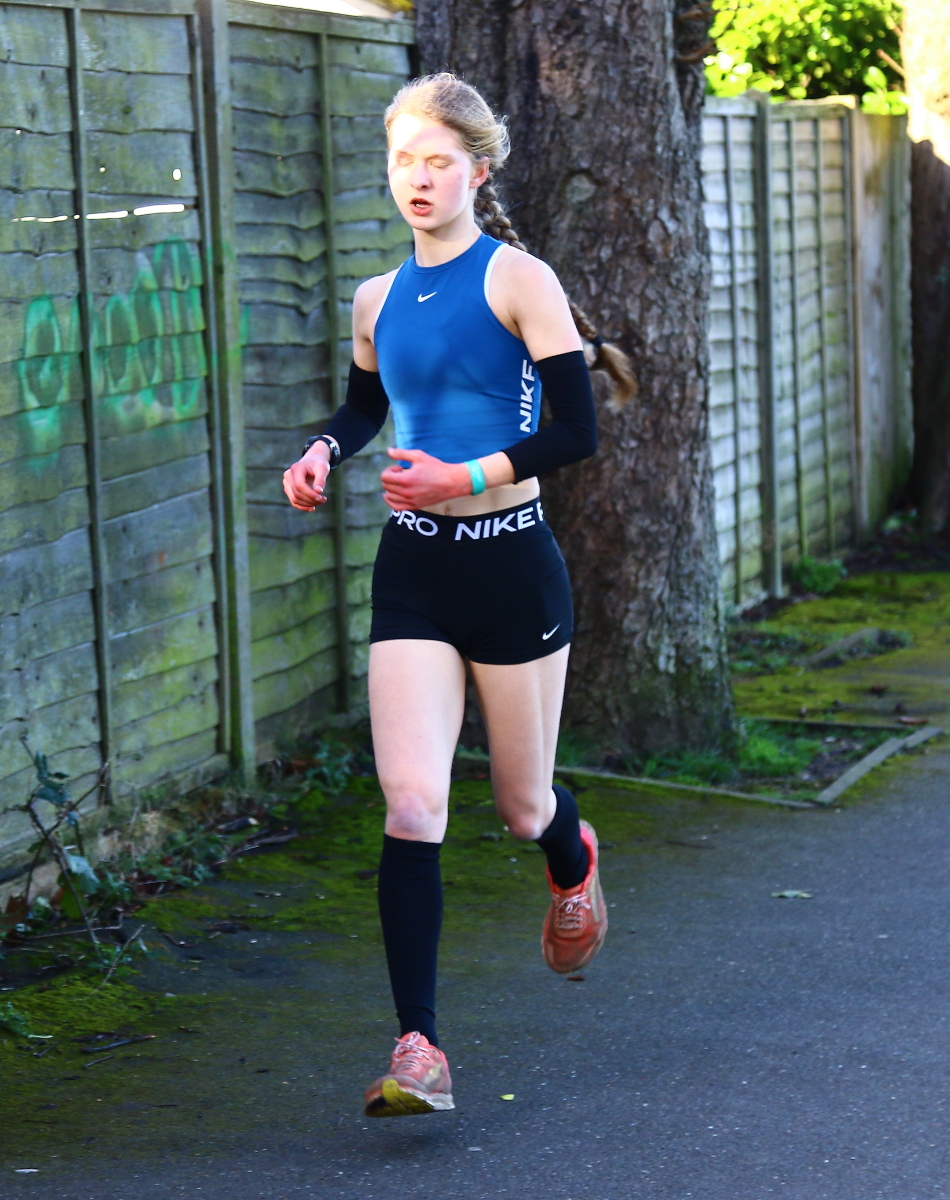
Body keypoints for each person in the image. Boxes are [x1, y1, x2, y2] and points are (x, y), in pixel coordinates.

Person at [281, 73, 626, 1119]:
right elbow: (366, 404)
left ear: (477, 171)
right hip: (416, 570)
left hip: (513, 562)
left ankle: (575, 859)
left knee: (523, 808)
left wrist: (466, 477)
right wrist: (324, 450)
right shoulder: (375, 300)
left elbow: (578, 431)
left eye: (438, 161)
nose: (418, 180)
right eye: (403, 162)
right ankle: (419, 1046)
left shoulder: (520, 280)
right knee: (412, 804)